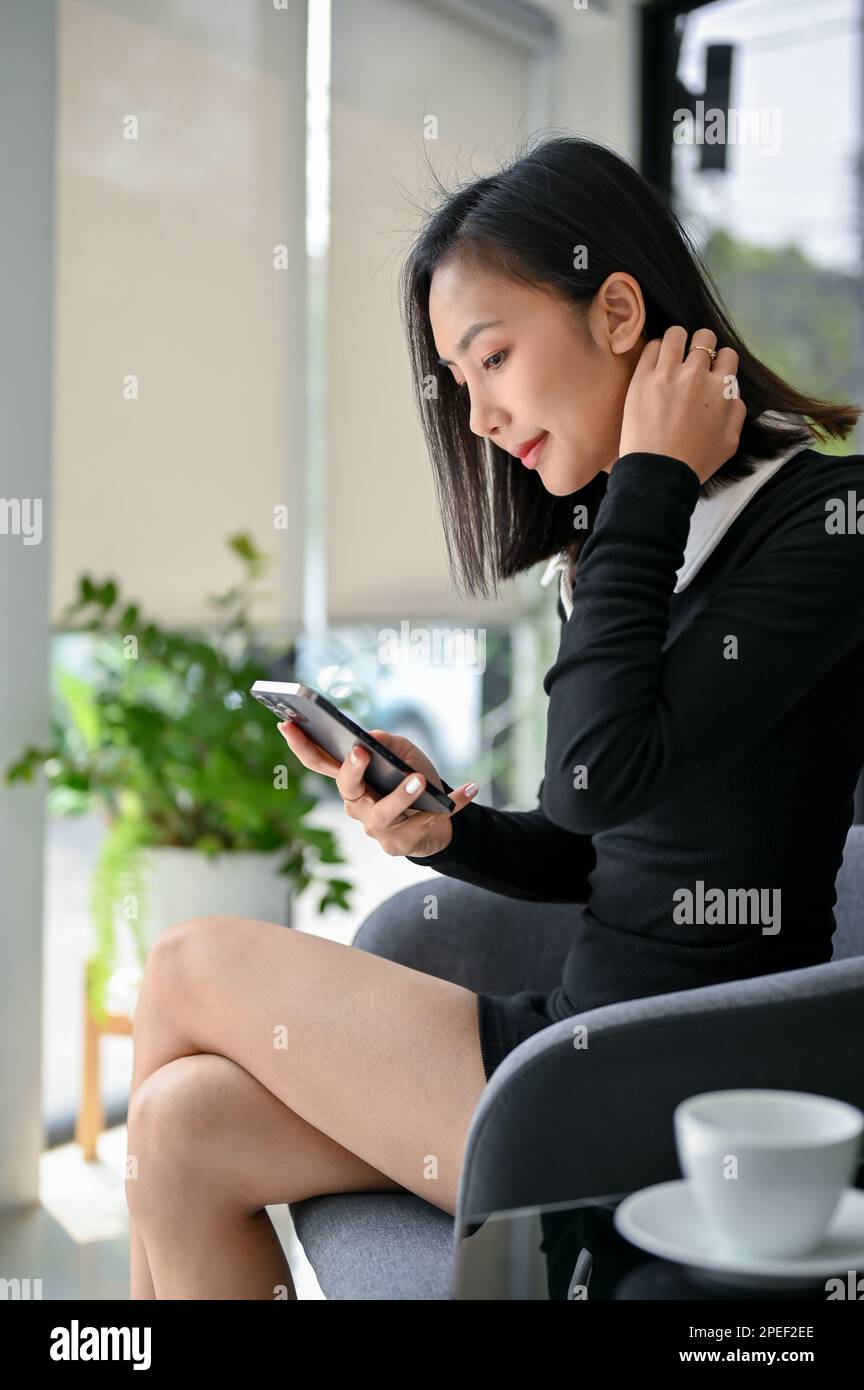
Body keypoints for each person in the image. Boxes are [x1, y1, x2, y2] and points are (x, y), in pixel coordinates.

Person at [126, 135, 864, 1299]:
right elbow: (596, 843)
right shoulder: (626, 539)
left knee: (184, 965)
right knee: (178, 1130)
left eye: (492, 358)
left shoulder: (827, 524)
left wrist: (653, 478)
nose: (476, 415)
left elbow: (594, 776)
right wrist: (449, 833)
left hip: (676, 1091)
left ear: (618, 310)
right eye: (458, 383)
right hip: (574, 1039)